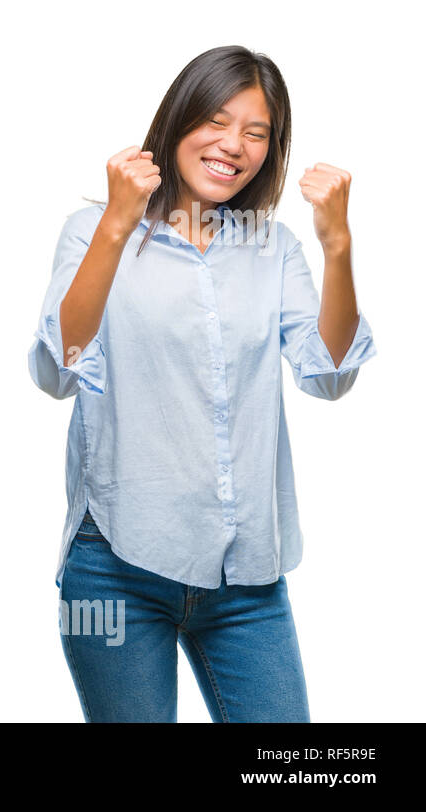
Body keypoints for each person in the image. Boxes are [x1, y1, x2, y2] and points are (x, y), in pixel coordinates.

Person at [29, 45, 375, 722]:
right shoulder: (92, 231)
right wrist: (115, 226)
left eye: (256, 132)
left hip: (245, 577)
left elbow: (329, 375)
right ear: (178, 123)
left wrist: (338, 248)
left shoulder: (273, 249)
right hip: (116, 570)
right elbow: (58, 369)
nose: (233, 146)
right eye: (217, 121)